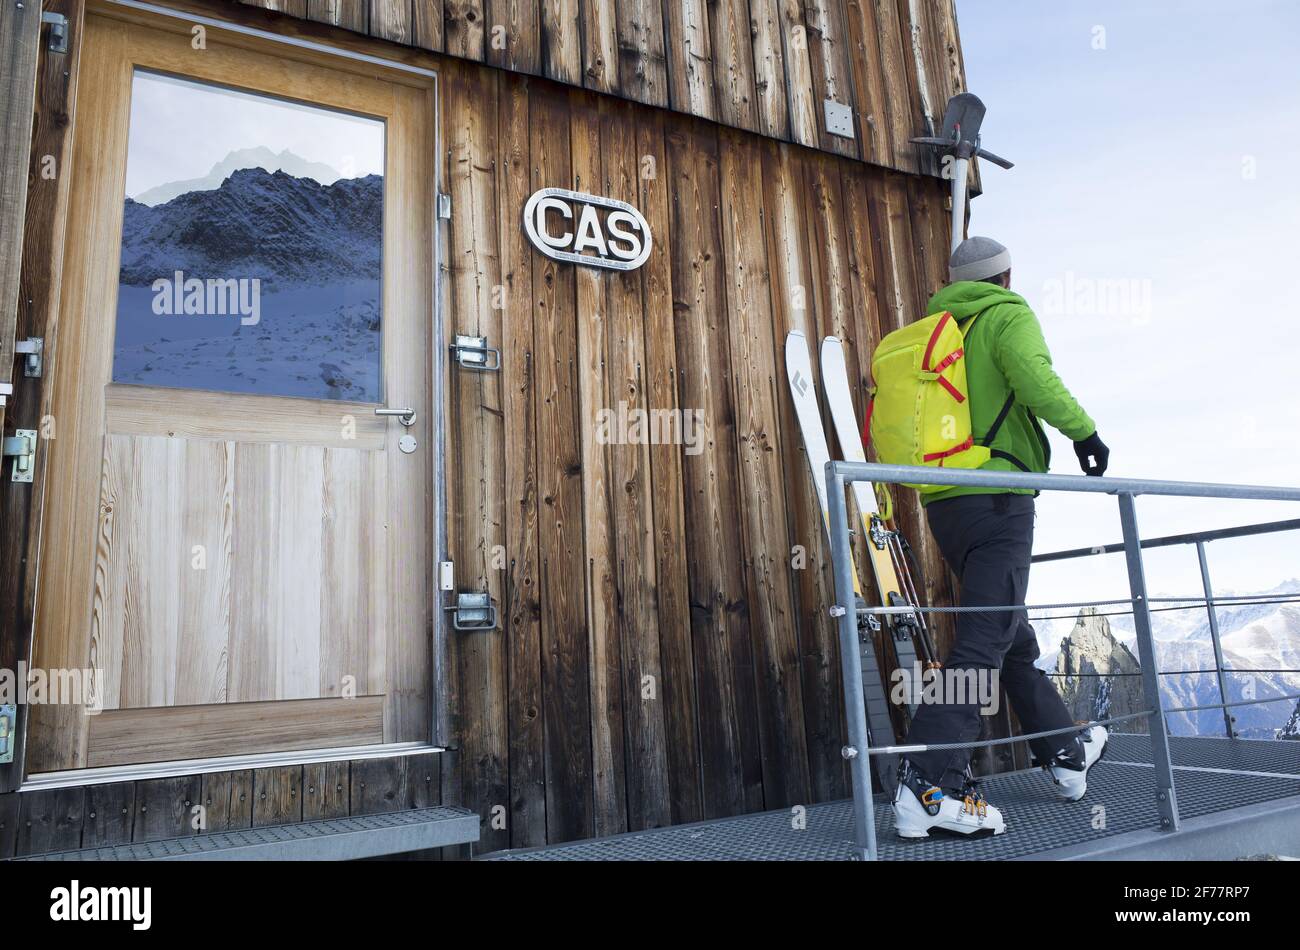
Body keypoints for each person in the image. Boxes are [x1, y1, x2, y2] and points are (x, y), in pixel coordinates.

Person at [892, 236, 1110, 839]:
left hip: (944, 502)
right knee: (985, 639)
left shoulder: (938, 328)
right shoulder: (1006, 315)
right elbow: (1033, 377)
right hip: (998, 496)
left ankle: (1064, 749)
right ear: (1005, 277)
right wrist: (1085, 433)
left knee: (1008, 629)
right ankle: (928, 786)